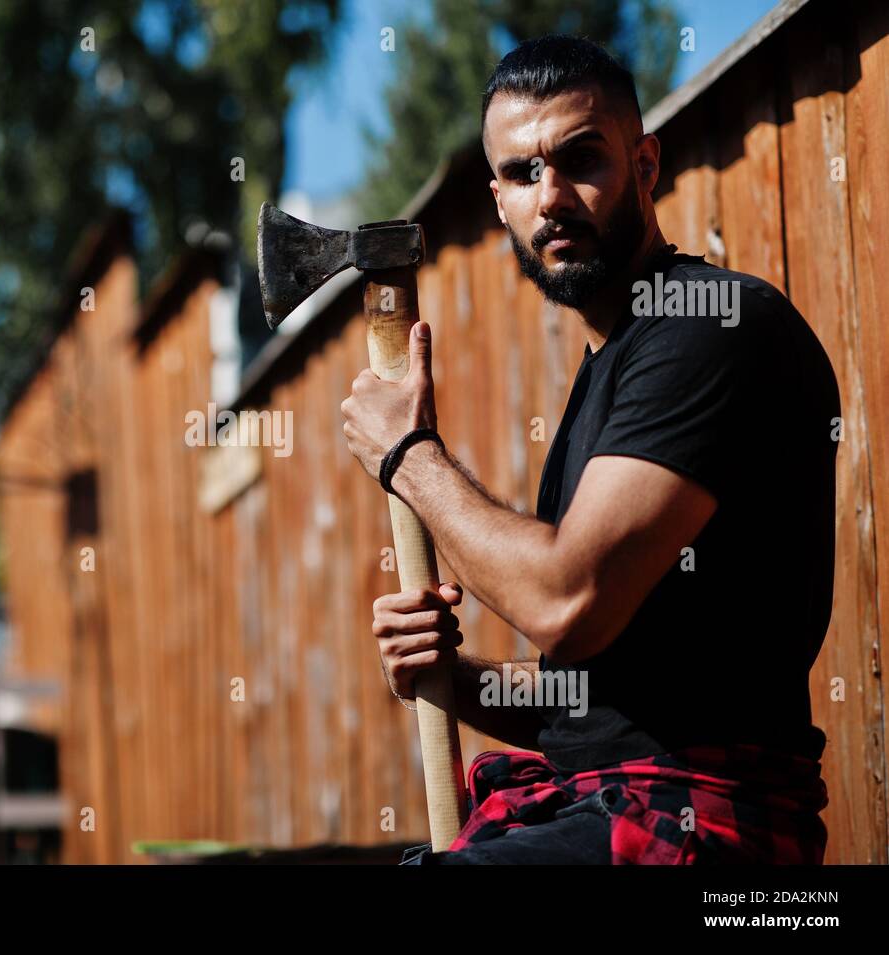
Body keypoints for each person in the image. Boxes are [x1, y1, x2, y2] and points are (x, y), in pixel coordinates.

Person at [340, 34, 839, 864]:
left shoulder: (710, 326)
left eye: (581, 159)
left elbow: (566, 604)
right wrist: (448, 676)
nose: (553, 196)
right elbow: (590, 697)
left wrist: (408, 456)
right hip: (603, 802)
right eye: (522, 174)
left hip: (701, 823)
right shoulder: (611, 369)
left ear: (645, 164)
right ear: (497, 200)